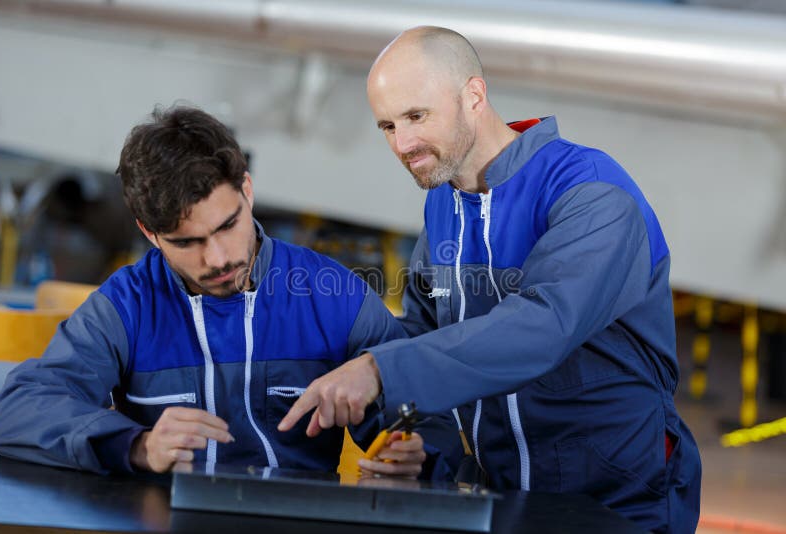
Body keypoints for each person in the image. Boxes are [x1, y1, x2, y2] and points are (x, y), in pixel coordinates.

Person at [279, 26, 701, 533]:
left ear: (474, 95)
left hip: (618, 503)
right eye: (388, 126)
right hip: (499, 499)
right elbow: (428, 335)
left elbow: (541, 327)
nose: (404, 143)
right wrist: (420, 446)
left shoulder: (591, 192)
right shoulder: (444, 204)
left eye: (417, 116)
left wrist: (379, 372)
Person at [0, 105, 447, 479]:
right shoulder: (125, 306)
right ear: (149, 233)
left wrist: (414, 453)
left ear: (246, 192)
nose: (217, 258)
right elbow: (18, 411)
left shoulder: (335, 297)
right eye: (187, 243)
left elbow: (426, 411)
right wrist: (136, 445)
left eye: (227, 225)